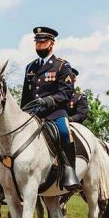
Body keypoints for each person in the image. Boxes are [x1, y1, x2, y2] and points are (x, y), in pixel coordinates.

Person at [20, 26, 80, 191]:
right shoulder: (30, 67)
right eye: (37, 42)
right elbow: (25, 96)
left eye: (43, 42)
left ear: (51, 44)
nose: (39, 45)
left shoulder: (62, 66)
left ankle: (69, 171)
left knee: (64, 132)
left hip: (55, 112)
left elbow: (67, 92)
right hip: (33, 113)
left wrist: (49, 100)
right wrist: (22, 112)